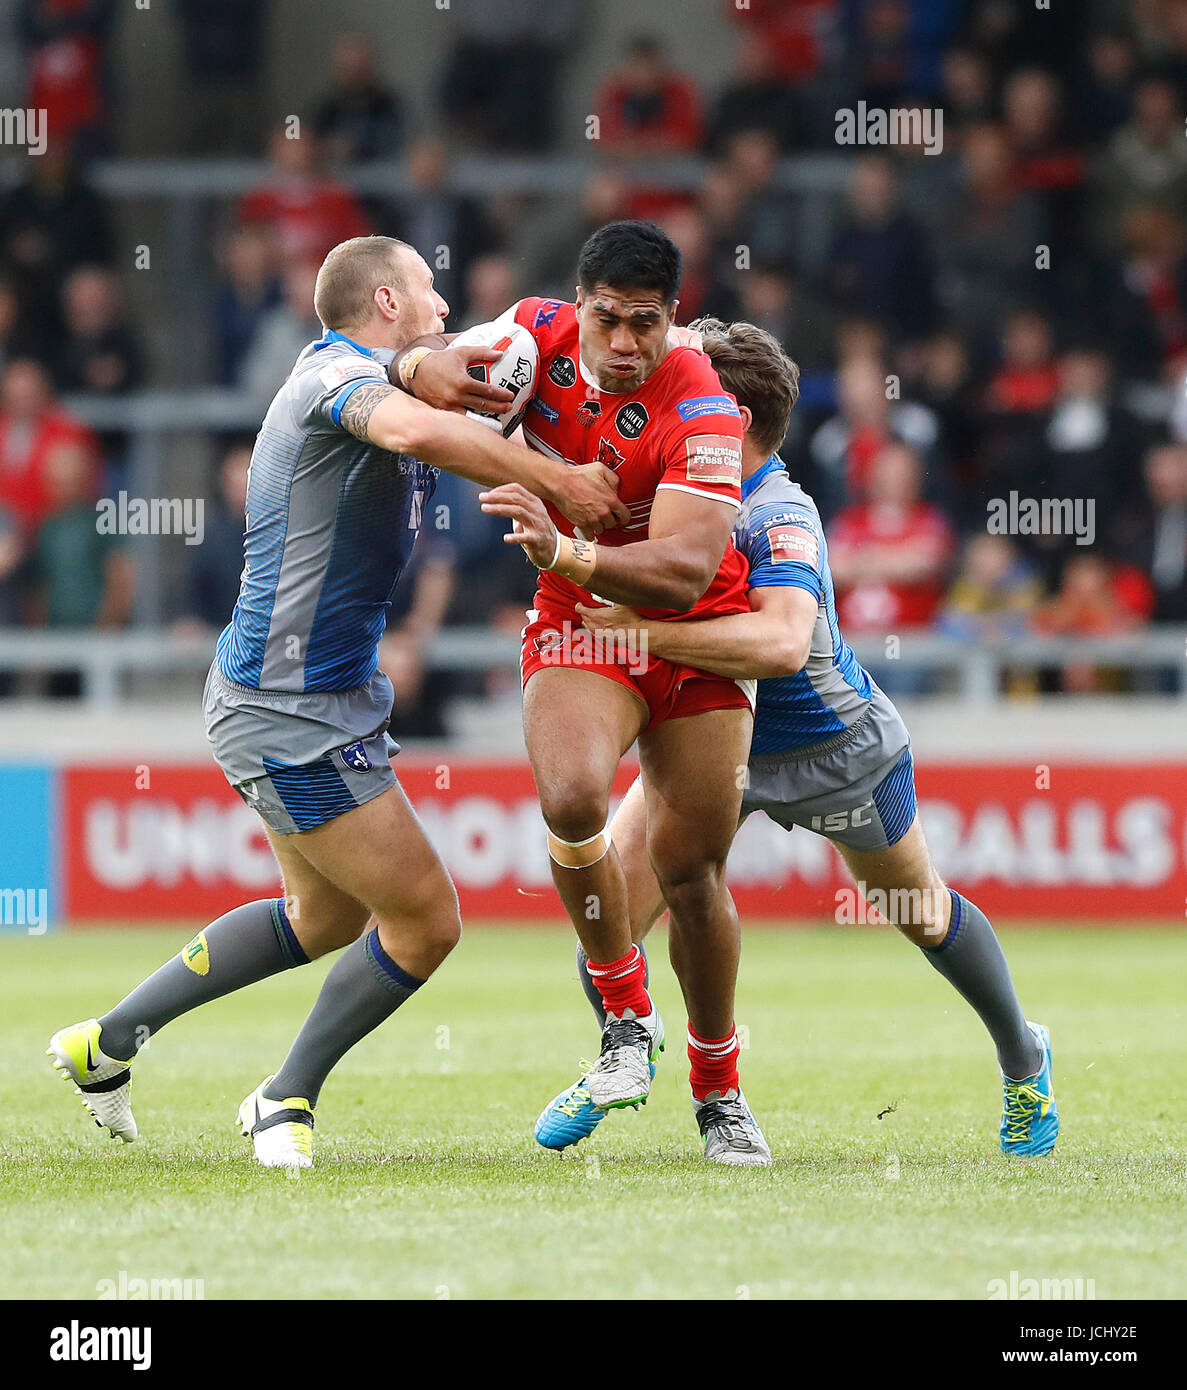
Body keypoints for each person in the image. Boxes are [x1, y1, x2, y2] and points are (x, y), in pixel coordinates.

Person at [46, 234, 628, 1168]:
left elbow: (449, 361)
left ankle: (105, 1043)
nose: (443, 307)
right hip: (287, 710)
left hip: (317, 697)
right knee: (427, 921)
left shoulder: (381, 362)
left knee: (321, 919)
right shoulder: (331, 382)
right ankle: (284, 1099)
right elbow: (414, 430)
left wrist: (474, 356)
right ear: (386, 302)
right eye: (428, 291)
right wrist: (558, 480)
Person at [537, 318, 1059, 1161]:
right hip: (705, 735)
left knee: (918, 910)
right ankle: (649, 1063)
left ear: (729, 416)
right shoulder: (666, 485)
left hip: (828, 749)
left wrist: (636, 634)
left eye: (683, 381)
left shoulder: (778, 514)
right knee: (604, 926)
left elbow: (781, 645)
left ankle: (1023, 1058)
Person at [401, 221, 767, 1161]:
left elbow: (686, 569)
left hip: (691, 635)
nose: (623, 345)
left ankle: (718, 1086)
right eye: (607, 319)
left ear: (671, 320)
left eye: (645, 325)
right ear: (578, 303)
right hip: (577, 615)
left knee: (690, 876)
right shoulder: (529, 340)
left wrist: (569, 545)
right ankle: (623, 1022)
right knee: (569, 798)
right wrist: (417, 365)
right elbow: (418, 373)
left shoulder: (708, 409)